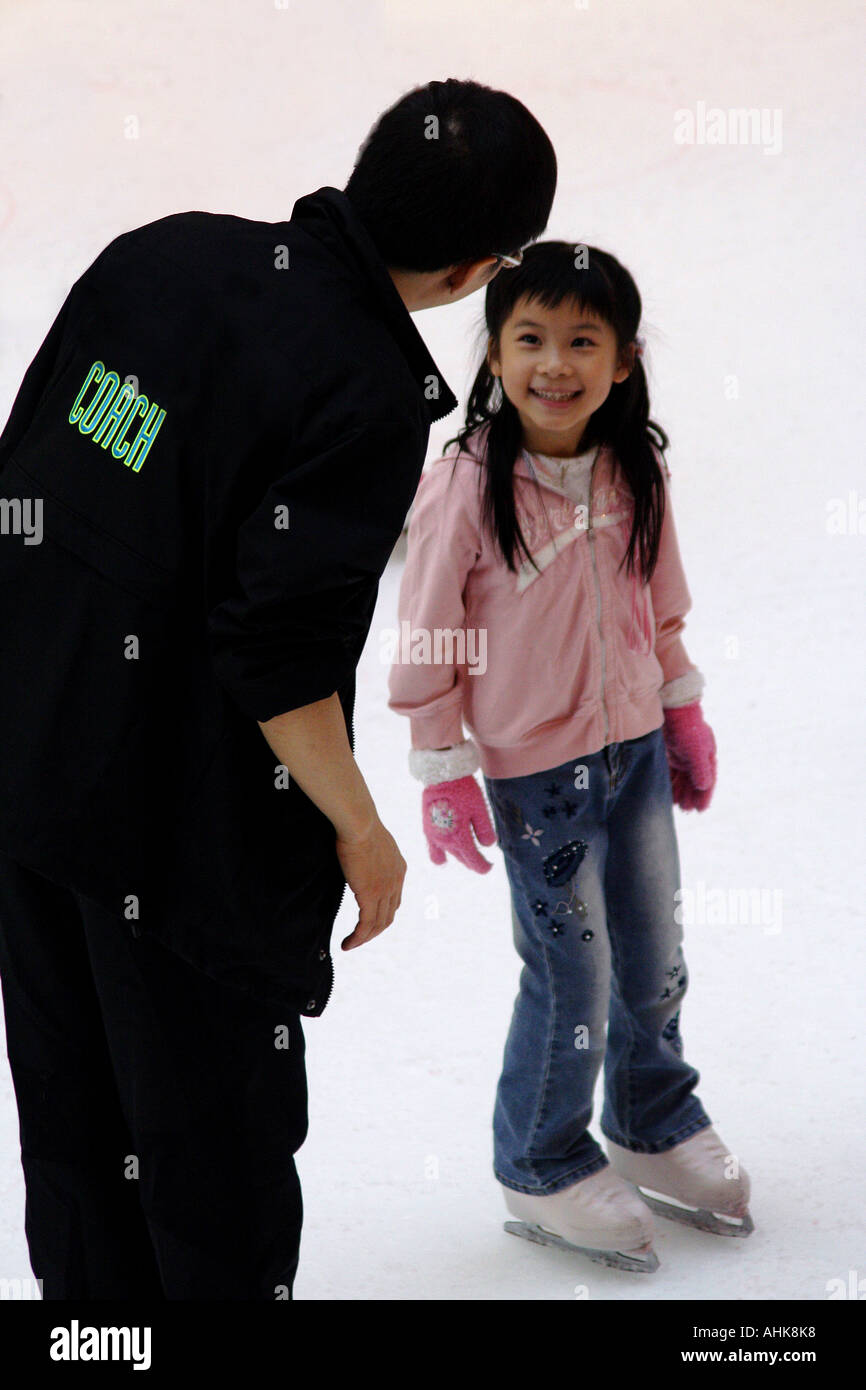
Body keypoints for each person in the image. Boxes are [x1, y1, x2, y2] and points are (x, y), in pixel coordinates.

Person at [0, 79, 557, 1300]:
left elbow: (25, 487)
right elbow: (275, 655)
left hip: (32, 778)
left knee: (79, 1148)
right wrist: (363, 832)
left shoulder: (159, 257)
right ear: (478, 270)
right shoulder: (359, 387)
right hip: (182, 843)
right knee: (212, 1181)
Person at [387, 240, 754, 1273]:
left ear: (622, 360)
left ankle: (649, 1118)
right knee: (569, 970)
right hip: (533, 774)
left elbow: (658, 602)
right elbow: (425, 633)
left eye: (581, 341)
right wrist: (441, 760)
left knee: (652, 948)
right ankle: (540, 1157)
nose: (555, 364)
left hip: (632, 744)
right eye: (530, 339)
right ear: (495, 355)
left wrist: (679, 710)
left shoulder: (636, 466)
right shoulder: (464, 484)